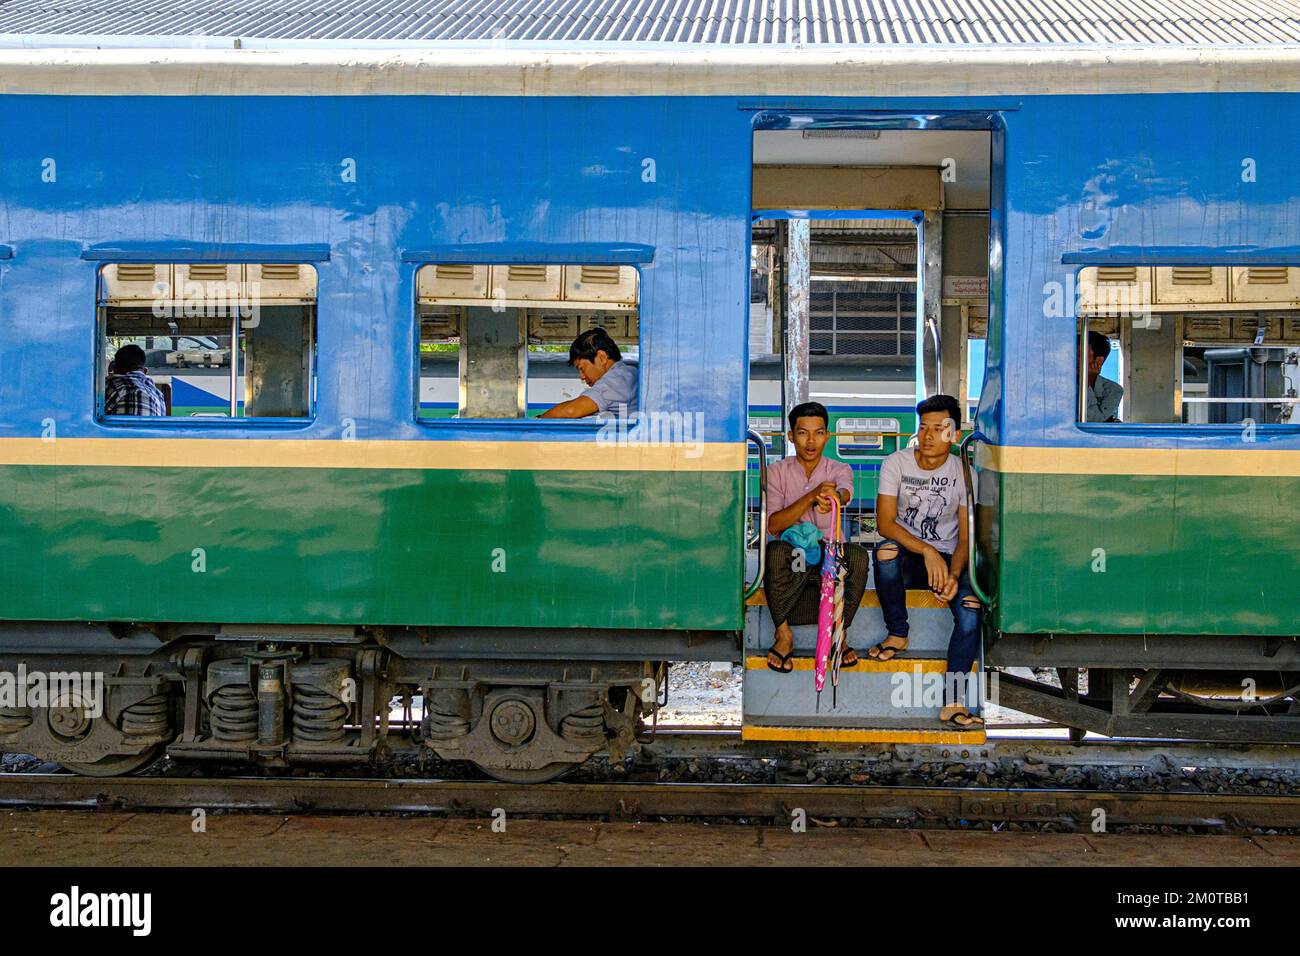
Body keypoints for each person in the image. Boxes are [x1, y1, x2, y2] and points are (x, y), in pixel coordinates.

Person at [869, 394, 983, 729]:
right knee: (885, 551)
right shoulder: (896, 463)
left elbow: (965, 537)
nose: (928, 435)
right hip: (910, 556)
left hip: (949, 561)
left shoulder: (965, 473)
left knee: (971, 609)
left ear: (954, 435)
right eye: (923, 427)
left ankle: (953, 700)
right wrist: (928, 551)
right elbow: (885, 523)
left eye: (938, 428)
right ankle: (897, 632)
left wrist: (954, 572)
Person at [761, 401, 871, 674]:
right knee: (774, 552)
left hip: (829, 551)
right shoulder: (776, 472)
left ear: (827, 436)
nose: (811, 441)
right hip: (794, 552)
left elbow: (844, 493)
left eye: (819, 433)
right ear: (790, 436)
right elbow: (774, 525)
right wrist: (810, 497)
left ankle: (839, 634)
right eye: (802, 433)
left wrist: (833, 497)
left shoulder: (839, 469)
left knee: (857, 557)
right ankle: (783, 634)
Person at [540, 327, 638, 419]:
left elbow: (572, 410)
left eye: (582, 368)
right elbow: (575, 403)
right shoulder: (628, 374)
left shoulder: (617, 379)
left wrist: (538, 421)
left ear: (601, 357)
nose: (582, 377)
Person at [104, 344, 167, 416]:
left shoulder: (114, 384)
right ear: (145, 371)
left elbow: (91, 411)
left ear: (115, 368)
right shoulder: (158, 394)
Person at [1085, 330, 1123, 422]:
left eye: (1080, 355)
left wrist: (1087, 383)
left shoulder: (1113, 389)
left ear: (1099, 361)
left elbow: (1094, 420)